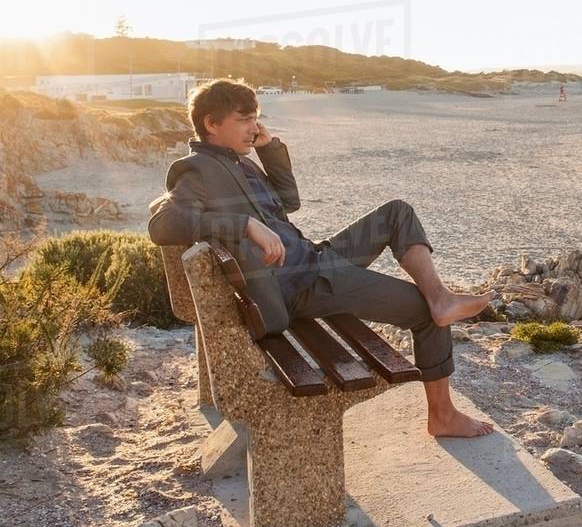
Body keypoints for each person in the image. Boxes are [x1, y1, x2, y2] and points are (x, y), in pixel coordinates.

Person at [147, 80, 495, 438]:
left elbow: (288, 202)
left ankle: (441, 296)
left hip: (312, 260)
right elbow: (163, 224)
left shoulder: (241, 162)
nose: (254, 127)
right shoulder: (196, 170)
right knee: (422, 313)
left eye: (257, 119)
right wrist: (244, 225)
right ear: (211, 124)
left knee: (397, 213)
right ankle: (442, 415)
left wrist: (270, 151)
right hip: (302, 284)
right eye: (245, 120)